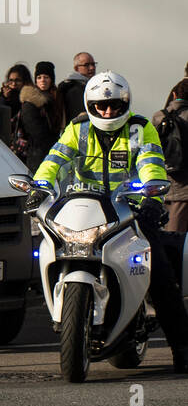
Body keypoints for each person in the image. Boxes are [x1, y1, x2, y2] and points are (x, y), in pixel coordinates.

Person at [34, 71, 188, 372]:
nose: (108, 112)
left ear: (125, 104)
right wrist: (39, 187)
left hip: (128, 210)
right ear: (90, 105)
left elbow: (152, 165)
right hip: (83, 209)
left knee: (159, 275)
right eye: (101, 106)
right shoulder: (77, 129)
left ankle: (181, 348)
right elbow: (54, 159)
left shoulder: (141, 129)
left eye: (115, 106)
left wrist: (153, 200)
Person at [153, 78, 188, 233]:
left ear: (173, 95)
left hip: (163, 179)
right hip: (185, 184)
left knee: (163, 228)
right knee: (177, 234)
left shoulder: (158, 116)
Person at [18, 61, 65, 171]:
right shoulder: (30, 102)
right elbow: (37, 133)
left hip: (51, 152)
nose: (42, 80)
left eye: (46, 77)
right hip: (37, 154)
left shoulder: (56, 99)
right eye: (39, 77)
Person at [0, 63, 31, 161]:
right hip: (8, 148)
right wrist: (4, 98)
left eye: (17, 80)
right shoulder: (4, 99)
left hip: (26, 149)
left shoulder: (29, 100)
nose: (13, 84)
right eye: (11, 80)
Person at [57, 51, 96, 122]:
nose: (92, 68)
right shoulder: (71, 89)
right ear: (76, 68)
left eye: (93, 64)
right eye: (87, 65)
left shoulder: (94, 85)